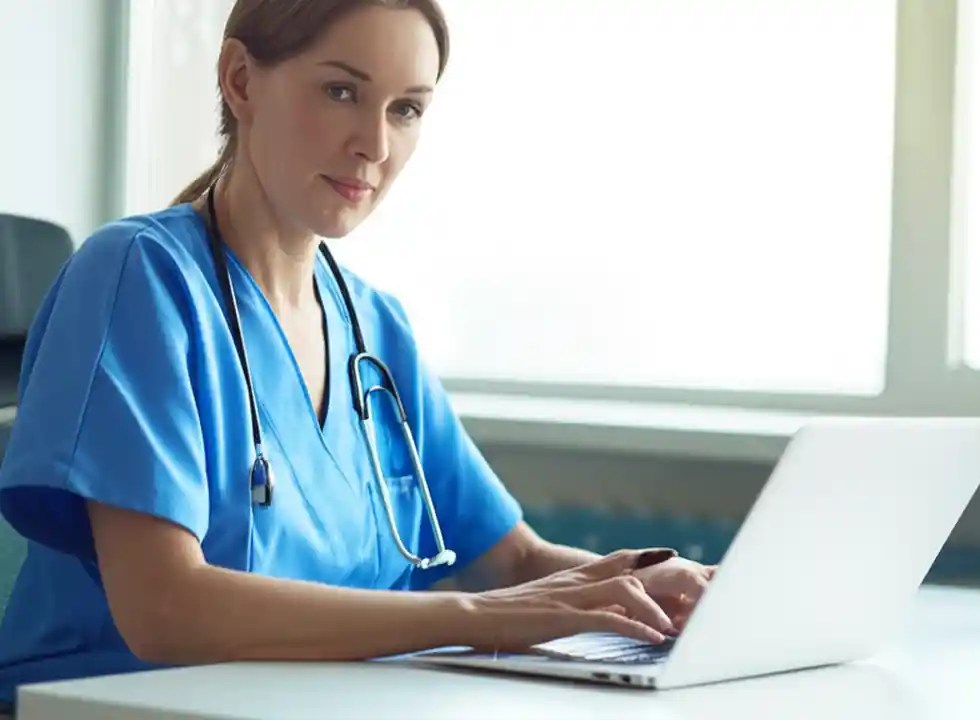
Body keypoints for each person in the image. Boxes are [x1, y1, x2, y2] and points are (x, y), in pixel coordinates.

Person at [0, 0, 715, 712]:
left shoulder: (374, 328)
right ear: (240, 80)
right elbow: (163, 608)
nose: (374, 143)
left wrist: (655, 589)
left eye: (406, 109)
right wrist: (485, 620)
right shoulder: (140, 278)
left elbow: (516, 560)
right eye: (342, 91)